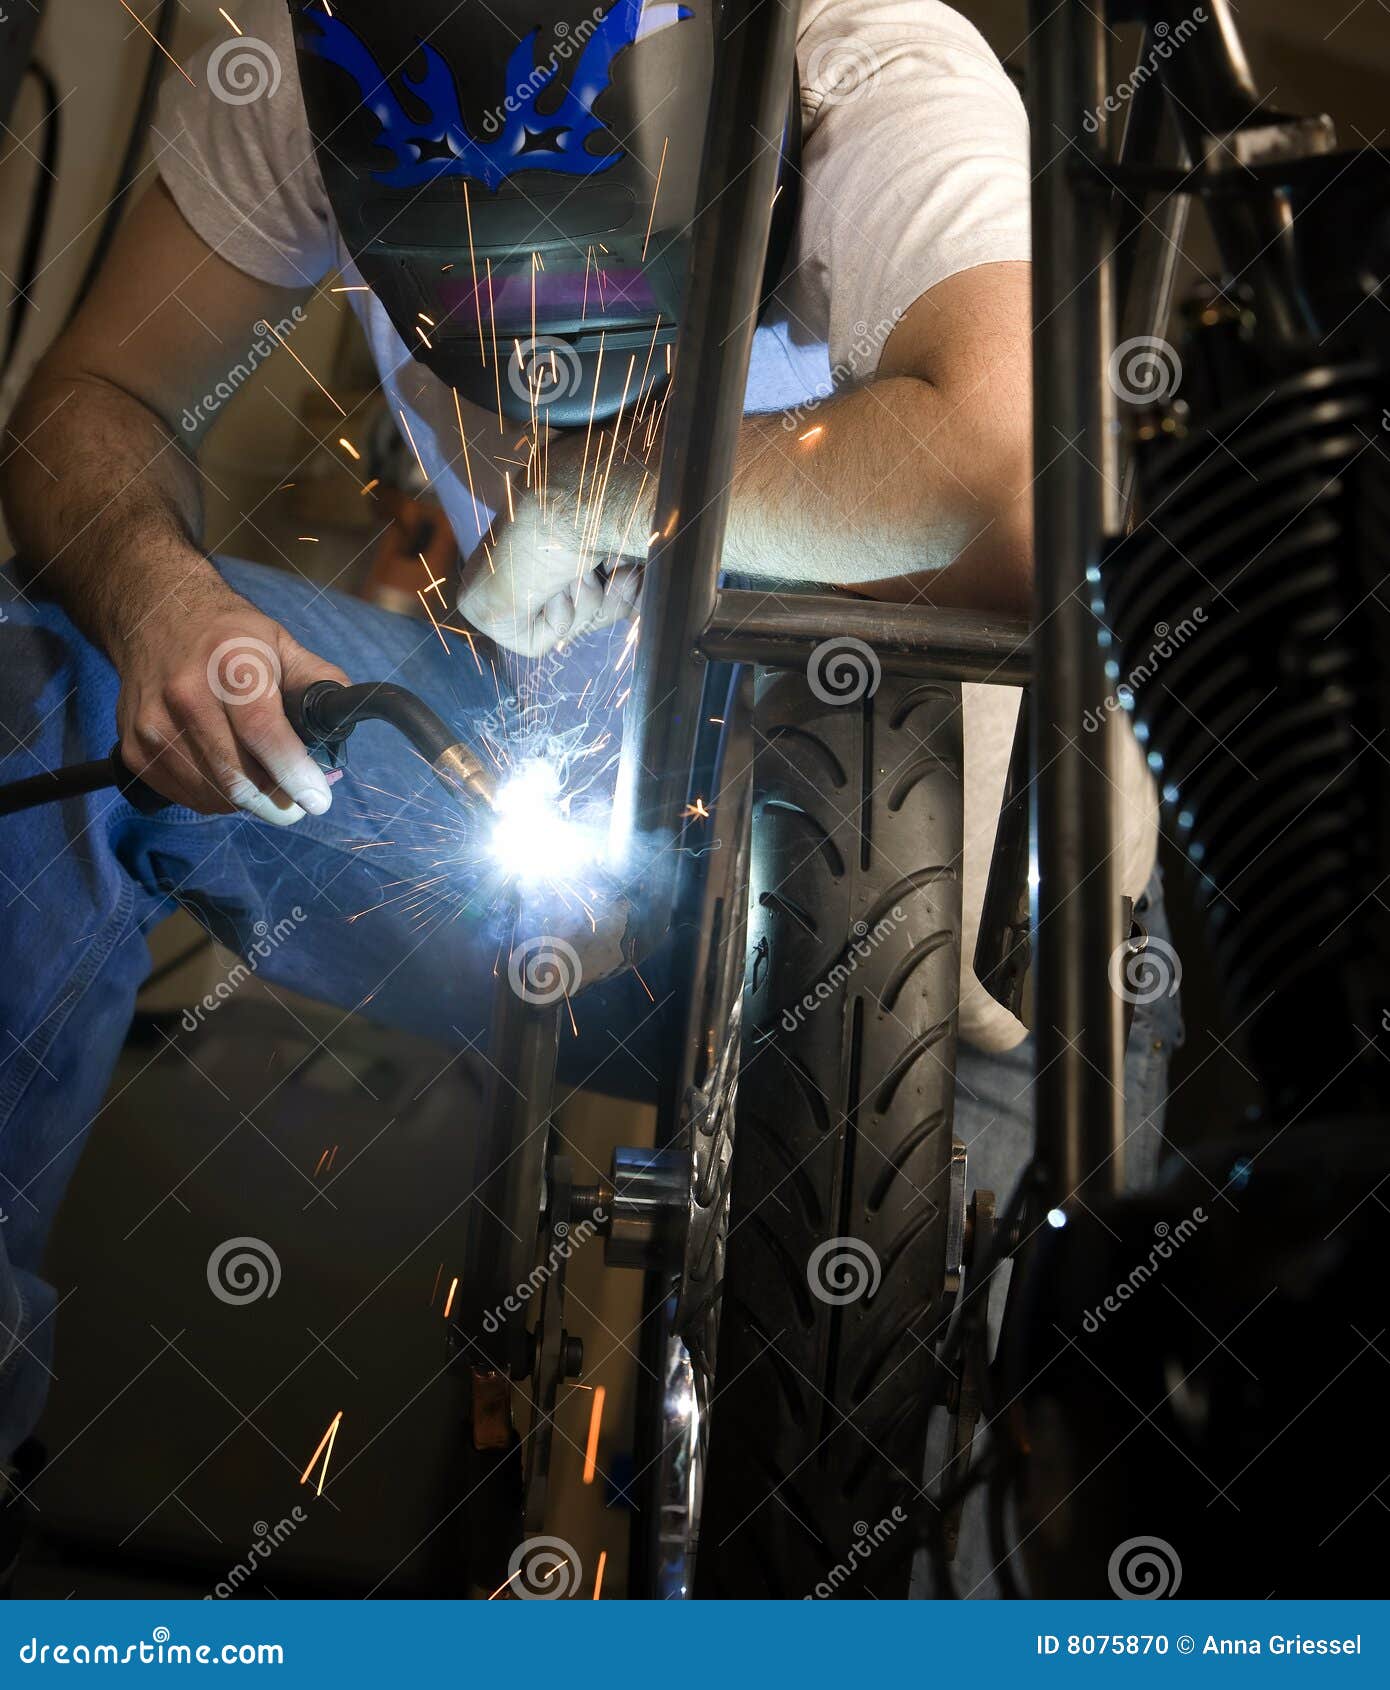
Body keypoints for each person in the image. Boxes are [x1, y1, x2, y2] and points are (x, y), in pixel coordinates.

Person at [0, 0, 1170, 1588]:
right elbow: (92, 400)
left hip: (947, 914)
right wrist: (159, 602)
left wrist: (604, 494)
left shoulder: (864, 59)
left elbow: (1012, 481)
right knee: (43, 676)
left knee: (874, 1549)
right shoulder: (307, 65)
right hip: (565, 802)